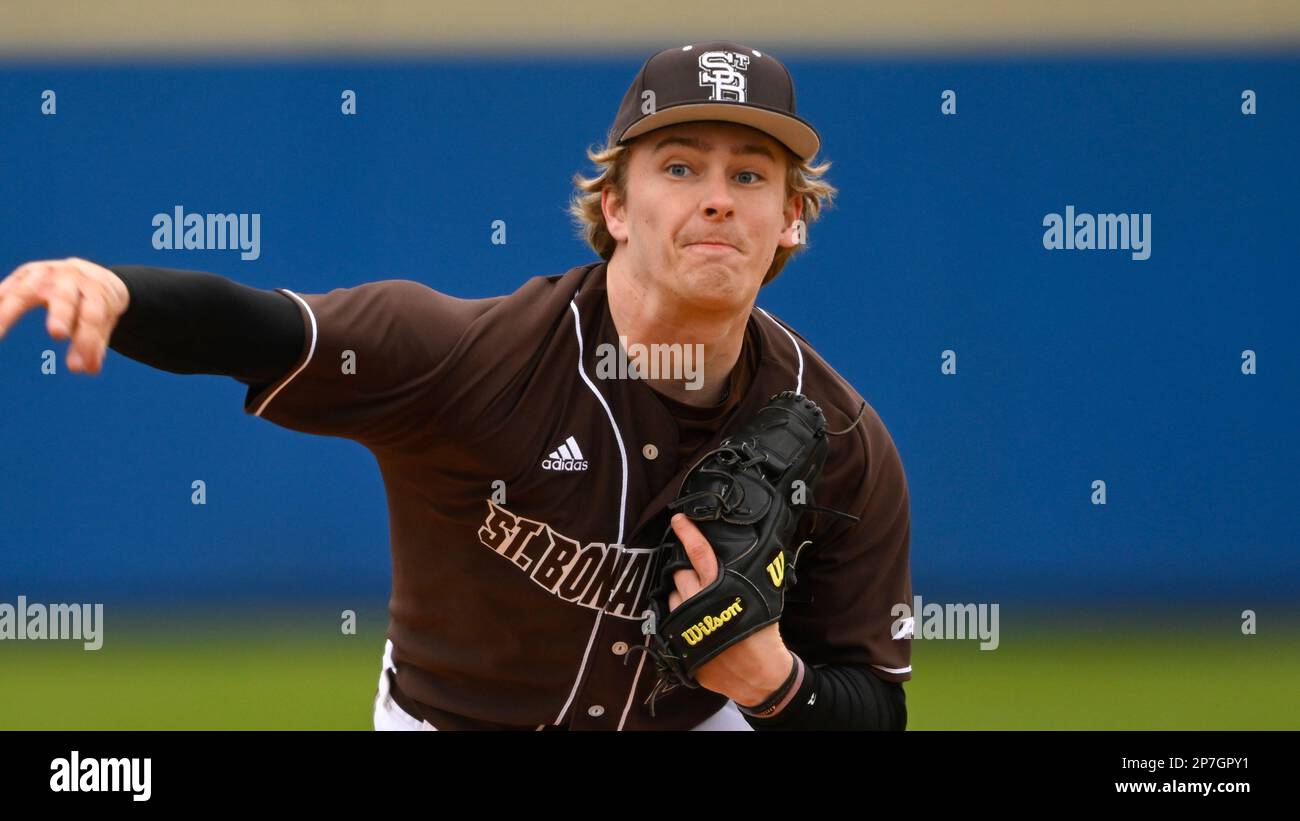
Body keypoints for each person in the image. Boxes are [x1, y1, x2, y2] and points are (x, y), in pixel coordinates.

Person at [0, 40, 911, 730]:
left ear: (791, 219)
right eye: (681, 166)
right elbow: (265, 327)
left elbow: (873, 701)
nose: (717, 198)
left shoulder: (842, 439)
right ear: (617, 206)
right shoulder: (471, 356)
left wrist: (773, 683)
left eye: (750, 176)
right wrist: (119, 292)